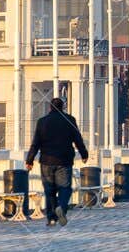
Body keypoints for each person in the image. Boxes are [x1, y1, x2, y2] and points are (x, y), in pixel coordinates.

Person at [25, 97, 89, 227]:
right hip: (64, 160)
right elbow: (78, 139)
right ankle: (62, 207)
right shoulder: (70, 120)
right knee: (65, 188)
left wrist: (29, 160)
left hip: (46, 161)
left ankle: (51, 218)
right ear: (63, 107)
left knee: (49, 190)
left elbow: (35, 143)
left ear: (50, 107)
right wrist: (84, 154)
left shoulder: (42, 122)